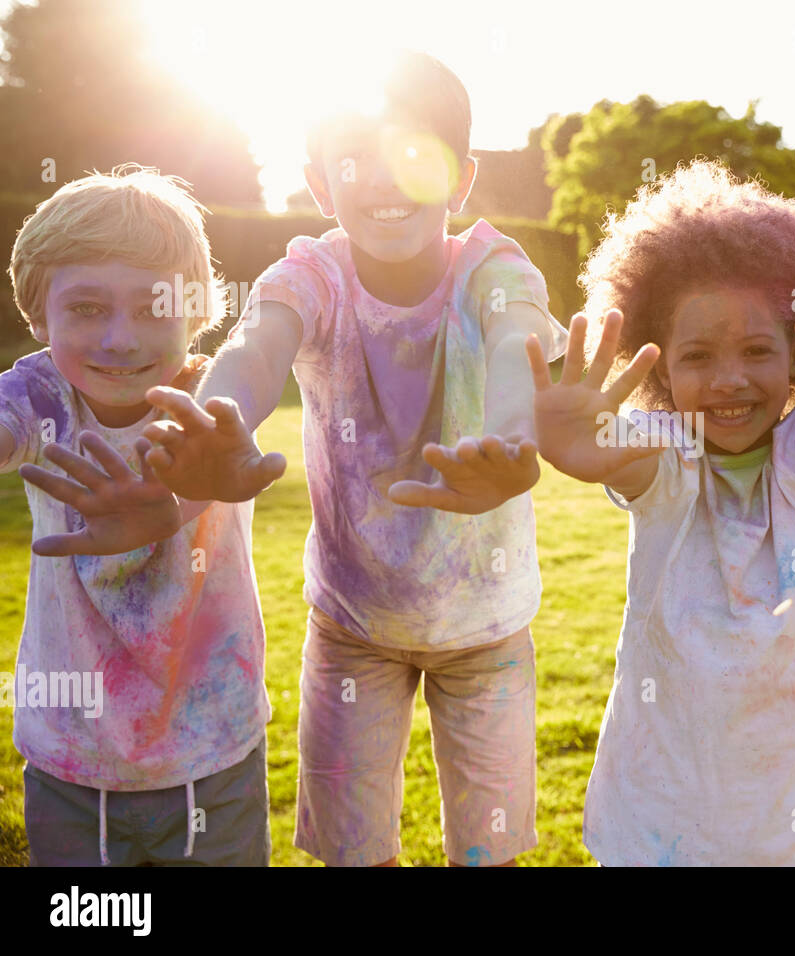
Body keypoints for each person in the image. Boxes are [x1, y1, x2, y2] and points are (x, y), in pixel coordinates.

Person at [138, 52, 568, 866]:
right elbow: (258, 347)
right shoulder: (311, 275)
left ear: (462, 178)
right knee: (351, 852)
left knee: (492, 850)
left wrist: (514, 437)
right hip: (353, 626)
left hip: (487, 628)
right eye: (354, 157)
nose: (384, 176)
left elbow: (518, 336)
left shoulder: (493, 267)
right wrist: (217, 417)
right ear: (321, 184)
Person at [526, 160, 795, 865]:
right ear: (658, 371)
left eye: (757, 349)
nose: (730, 379)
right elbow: (617, 451)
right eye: (697, 356)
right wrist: (577, 445)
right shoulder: (666, 455)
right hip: (668, 802)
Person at [1, 166, 271, 865]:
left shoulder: (208, 397)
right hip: (70, 755)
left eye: (154, 308)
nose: (121, 339)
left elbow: (229, 448)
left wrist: (192, 492)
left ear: (196, 313)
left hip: (213, 749)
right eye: (87, 309)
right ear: (37, 316)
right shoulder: (40, 396)